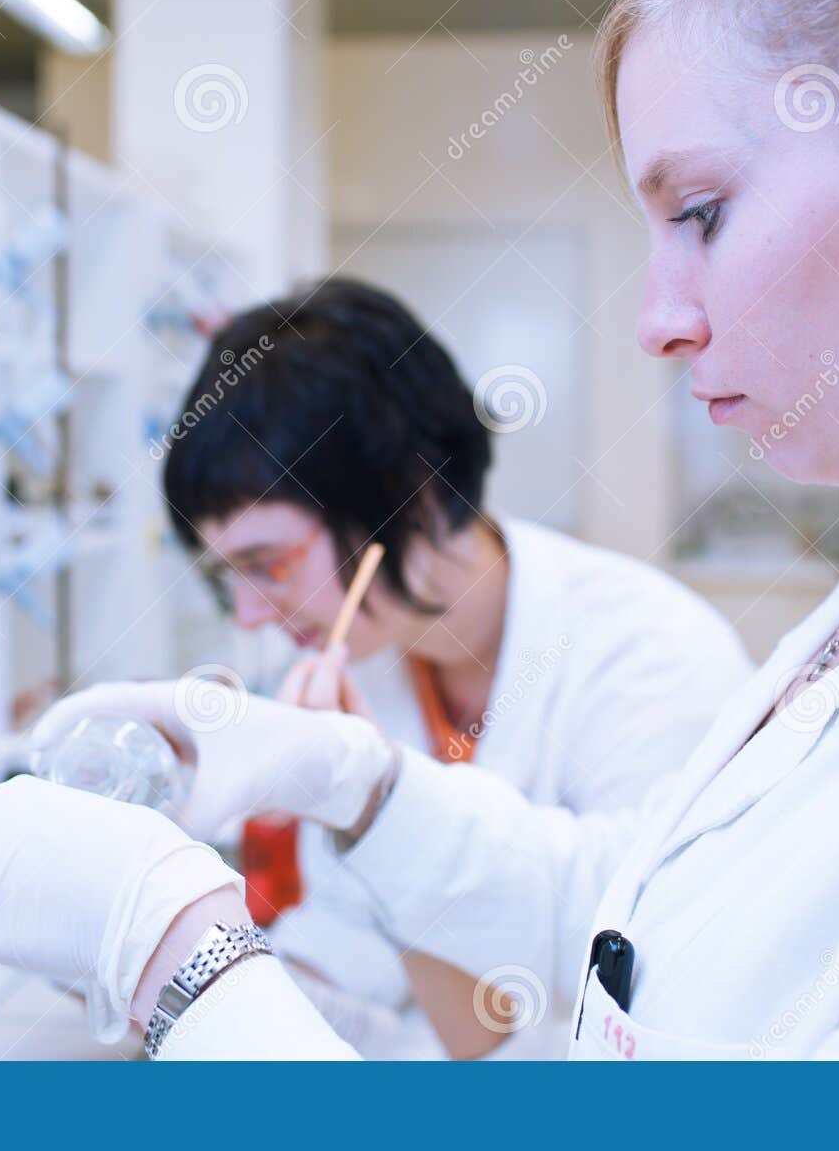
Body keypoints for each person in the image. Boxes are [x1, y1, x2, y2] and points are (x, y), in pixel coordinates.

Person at [0, 0, 839, 1060]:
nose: (656, 319)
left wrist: (180, 956)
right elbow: (624, 925)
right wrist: (353, 779)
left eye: (701, 211)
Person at [154, 277, 752, 1058]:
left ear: (416, 497)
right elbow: (343, 945)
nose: (248, 615)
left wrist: (375, 808)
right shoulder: (368, 660)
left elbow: (615, 994)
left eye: (267, 564)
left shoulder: (653, 659)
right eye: (224, 576)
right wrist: (186, 991)